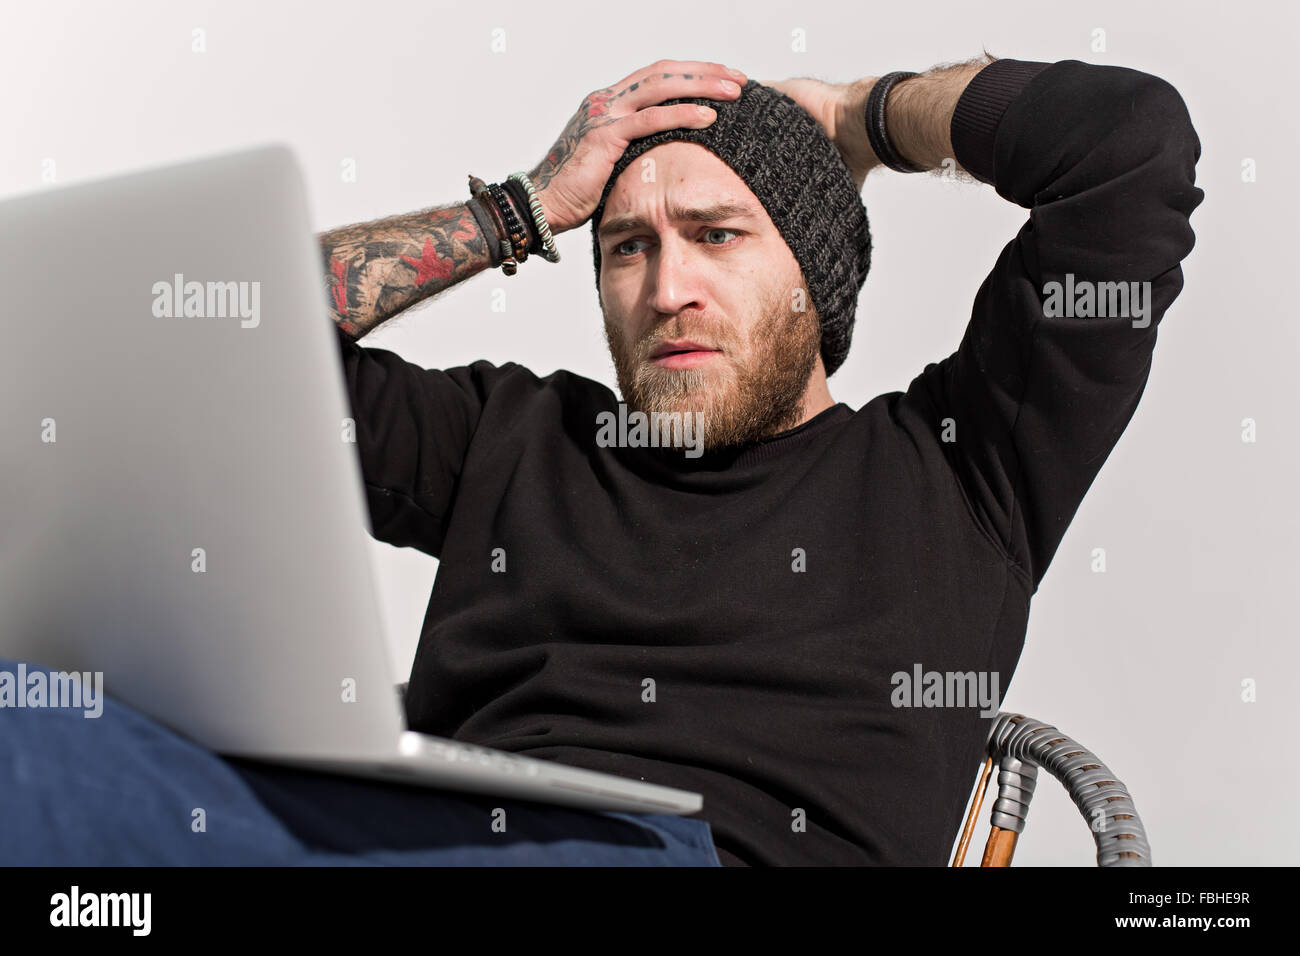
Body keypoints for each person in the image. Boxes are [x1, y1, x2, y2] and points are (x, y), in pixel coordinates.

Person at [2, 53, 1204, 866]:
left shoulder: (957, 470)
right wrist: (516, 213)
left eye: (717, 235)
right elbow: (184, 335)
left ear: (815, 283)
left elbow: (1126, 145)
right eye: (626, 247)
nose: (666, 286)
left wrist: (857, 121)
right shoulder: (514, 437)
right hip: (425, 836)